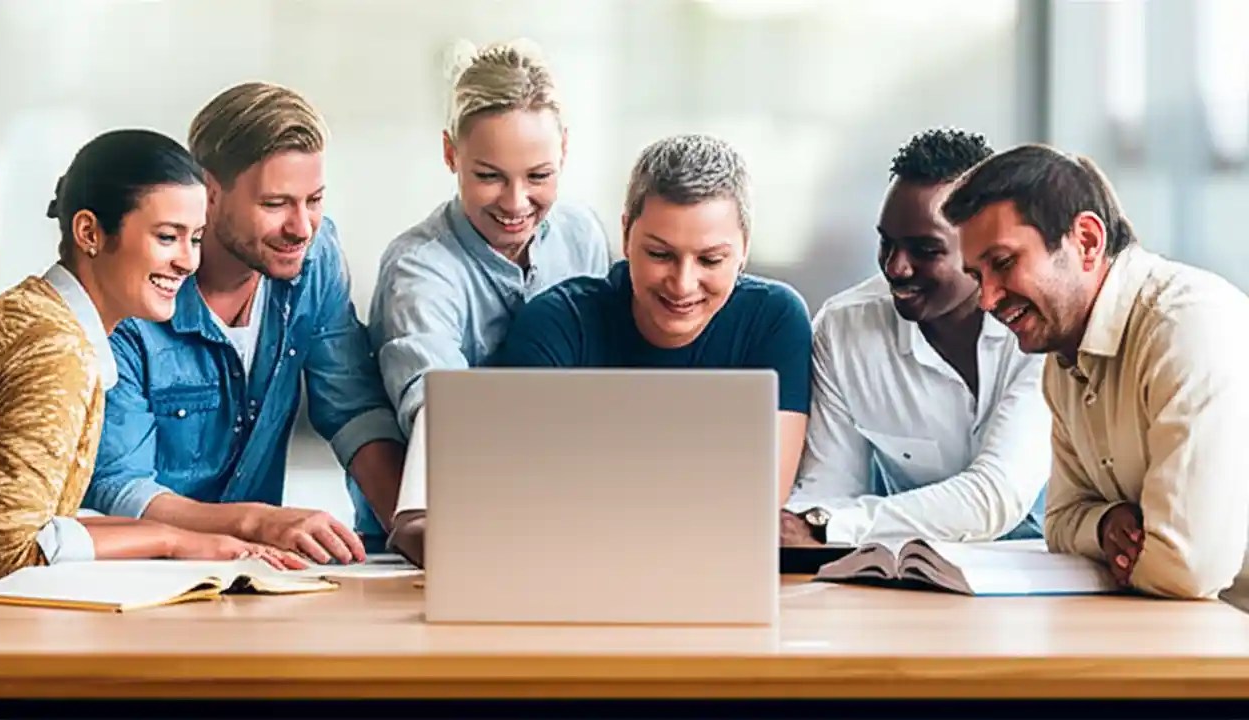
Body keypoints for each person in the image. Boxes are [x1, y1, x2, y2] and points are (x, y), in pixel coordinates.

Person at [391, 133, 812, 567]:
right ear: (626, 234)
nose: (683, 284)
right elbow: (524, 500)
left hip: (713, 570)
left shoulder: (775, 319)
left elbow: (759, 502)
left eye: (710, 260)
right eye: (660, 254)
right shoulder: (558, 324)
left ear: (744, 249)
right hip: (566, 570)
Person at [86, 83, 406, 563]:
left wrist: (411, 525)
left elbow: (353, 407)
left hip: (261, 573)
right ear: (210, 193)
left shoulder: (314, 259)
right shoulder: (133, 297)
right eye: (275, 204)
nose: (301, 227)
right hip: (145, 575)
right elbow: (119, 489)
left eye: (314, 200)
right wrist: (258, 521)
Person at [0, 129, 299, 586]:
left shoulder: (33, 315)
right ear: (89, 232)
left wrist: (183, 537)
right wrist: (172, 541)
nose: (188, 262)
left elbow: (32, 524)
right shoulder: (57, 351)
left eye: (195, 239)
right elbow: (3, 546)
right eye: (167, 237)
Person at [943, 143, 1249, 599]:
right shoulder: (1063, 358)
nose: (986, 299)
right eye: (976, 276)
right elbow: (1059, 522)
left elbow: (1187, 568)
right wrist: (1105, 526)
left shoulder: (1186, 326)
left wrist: (1115, 551)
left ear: (1086, 241)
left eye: (1003, 263)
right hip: (1180, 622)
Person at [371, 39, 609, 556]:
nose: (516, 202)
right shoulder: (420, 268)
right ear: (450, 154)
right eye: (489, 176)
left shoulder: (581, 233)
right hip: (438, 532)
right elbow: (437, 404)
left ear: (565, 150)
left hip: (568, 520)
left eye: (539, 175)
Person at [781, 129, 1050, 547]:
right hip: (908, 568)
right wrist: (817, 522)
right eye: (886, 243)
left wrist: (833, 525)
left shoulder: (1039, 323)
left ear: (982, 247)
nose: (896, 267)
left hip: (1053, 569)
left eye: (925, 250)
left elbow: (996, 496)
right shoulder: (844, 329)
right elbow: (826, 494)